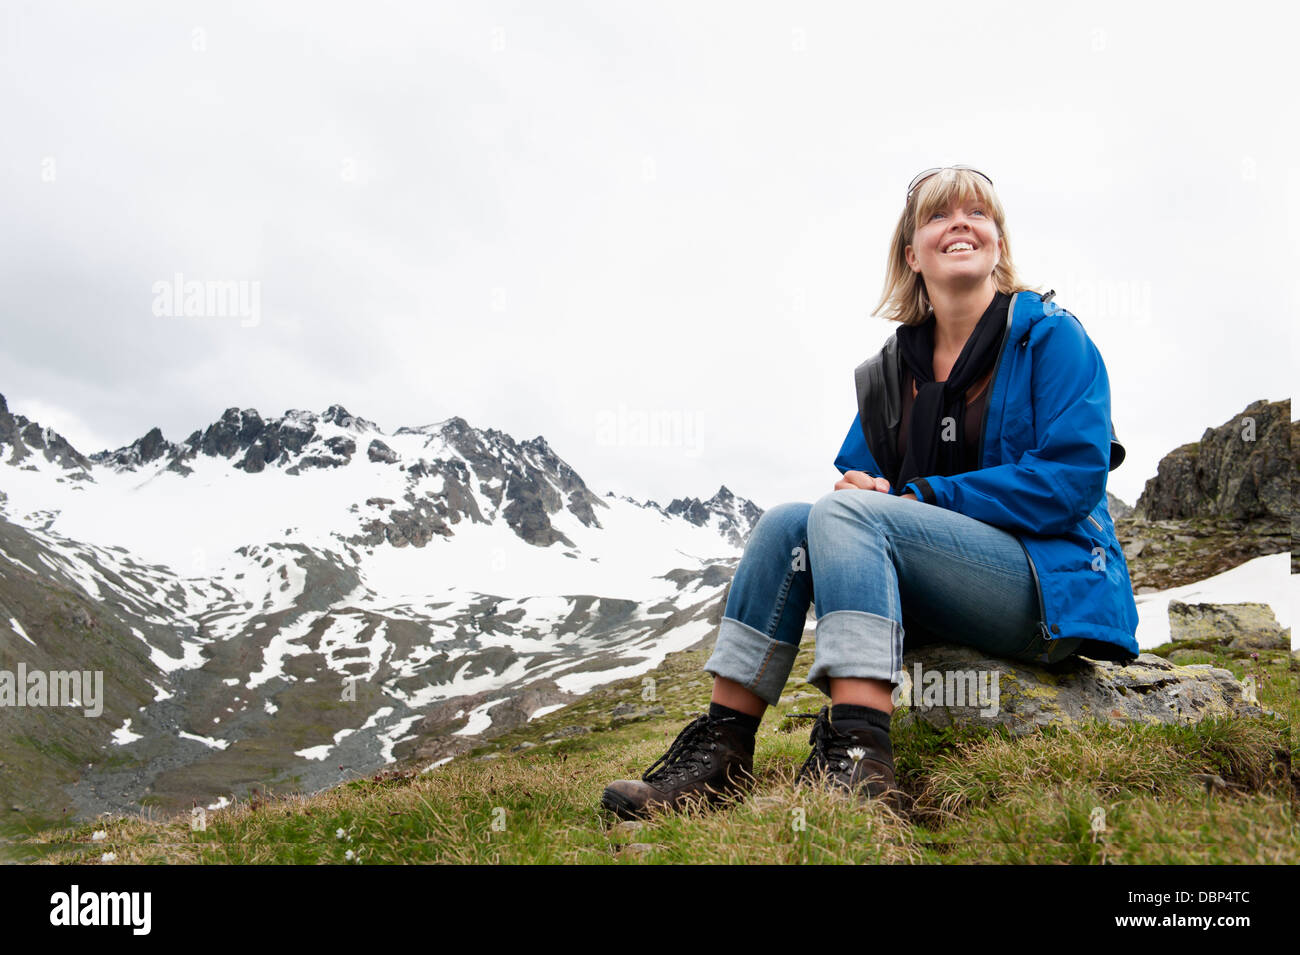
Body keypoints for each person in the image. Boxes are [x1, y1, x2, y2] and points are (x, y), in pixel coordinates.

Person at [600, 166, 1140, 821]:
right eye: (940, 215)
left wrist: (925, 495)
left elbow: (1073, 478)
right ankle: (721, 752)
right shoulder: (891, 373)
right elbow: (861, 492)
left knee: (846, 515)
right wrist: (875, 490)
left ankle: (858, 758)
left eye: (980, 213)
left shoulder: (1053, 337)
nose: (962, 223)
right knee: (784, 524)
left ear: (999, 243)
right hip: (946, 584)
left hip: (1049, 583)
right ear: (912, 253)